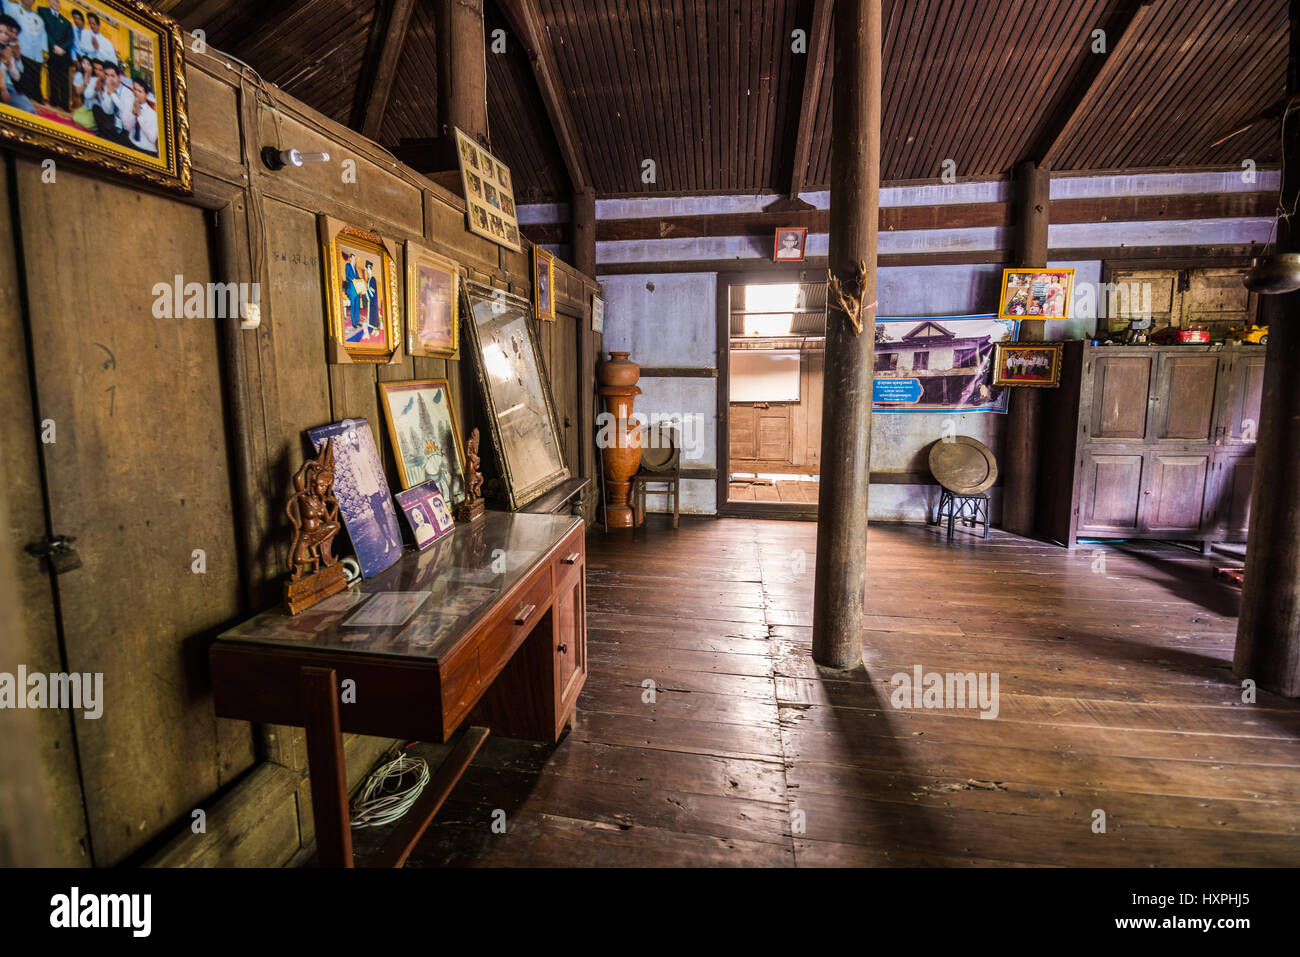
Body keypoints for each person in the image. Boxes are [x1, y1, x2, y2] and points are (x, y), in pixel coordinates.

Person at [5, 0, 46, 105]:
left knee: (36, 82)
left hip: (36, 55)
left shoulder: (38, 19)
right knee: (22, 81)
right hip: (22, 51)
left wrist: (45, 52)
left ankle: (35, 101)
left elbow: (43, 36)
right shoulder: (13, 8)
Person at [37, 0, 71, 110]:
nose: (56, 3)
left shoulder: (66, 22)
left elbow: (70, 39)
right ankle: (54, 101)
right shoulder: (42, 11)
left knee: (64, 81)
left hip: (63, 54)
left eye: (58, 2)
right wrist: (53, 46)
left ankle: (65, 104)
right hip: (50, 51)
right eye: (54, 1)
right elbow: (44, 31)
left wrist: (63, 48)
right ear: (49, 2)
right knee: (52, 77)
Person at [90, 59, 131, 145]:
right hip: (114, 123)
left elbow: (124, 110)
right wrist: (108, 93)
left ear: (119, 77)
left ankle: (109, 137)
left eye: (112, 76)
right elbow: (107, 111)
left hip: (125, 127)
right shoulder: (107, 87)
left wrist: (112, 94)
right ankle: (109, 136)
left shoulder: (127, 92)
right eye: (107, 75)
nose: (109, 79)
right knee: (96, 109)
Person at [0, 13, 35, 112]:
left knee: (29, 109)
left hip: (9, 88)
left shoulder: (9, 50)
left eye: (7, 34)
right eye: (1, 32)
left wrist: (14, 60)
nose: (4, 36)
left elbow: (16, 76)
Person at [122, 75, 155, 154]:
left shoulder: (152, 113)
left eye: (140, 91)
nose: (136, 93)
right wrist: (133, 113)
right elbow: (127, 127)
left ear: (146, 95)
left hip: (146, 150)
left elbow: (152, 138)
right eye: (135, 89)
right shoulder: (129, 103)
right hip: (131, 143)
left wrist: (139, 115)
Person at [341, 251, 362, 330]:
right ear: (350, 259)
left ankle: (357, 322)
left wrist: (361, 281)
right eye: (353, 259)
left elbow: (357, 278)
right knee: (352, 307)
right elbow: (347, 275)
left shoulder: (355, 269)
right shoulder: (348, 265)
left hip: (357, 291)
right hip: (351, 290)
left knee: (357, 307)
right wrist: (352, 279)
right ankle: (353, 323)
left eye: (354, 259)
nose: (354, 260)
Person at [365, 260, 380, 335]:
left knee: (373, 313)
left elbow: (372, 290)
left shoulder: (373, 279)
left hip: (373, 300)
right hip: (370, 300)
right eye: (367, 269)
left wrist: (366, 291)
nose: (368, 271)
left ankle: (373, 327)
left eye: (369, 269)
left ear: (371, 269)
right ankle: (370, 327)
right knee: (370, 313)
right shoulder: (368, 279)